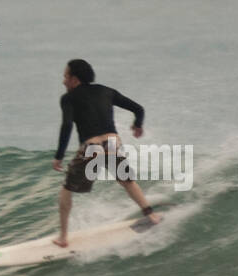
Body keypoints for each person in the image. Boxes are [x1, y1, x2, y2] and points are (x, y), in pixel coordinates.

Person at [51, 58, 160, 247]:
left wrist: (59, 155)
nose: (63, 81)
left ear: (74, 79)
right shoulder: (106, 91)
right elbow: (138, 109)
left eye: (65, 76)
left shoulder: (68, 98)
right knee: (127, 181)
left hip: (92, 147)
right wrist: (137, 125)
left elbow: (67, 125)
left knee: (66, 190)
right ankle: (151, 215)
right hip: (112, 143)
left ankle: (62, 238)